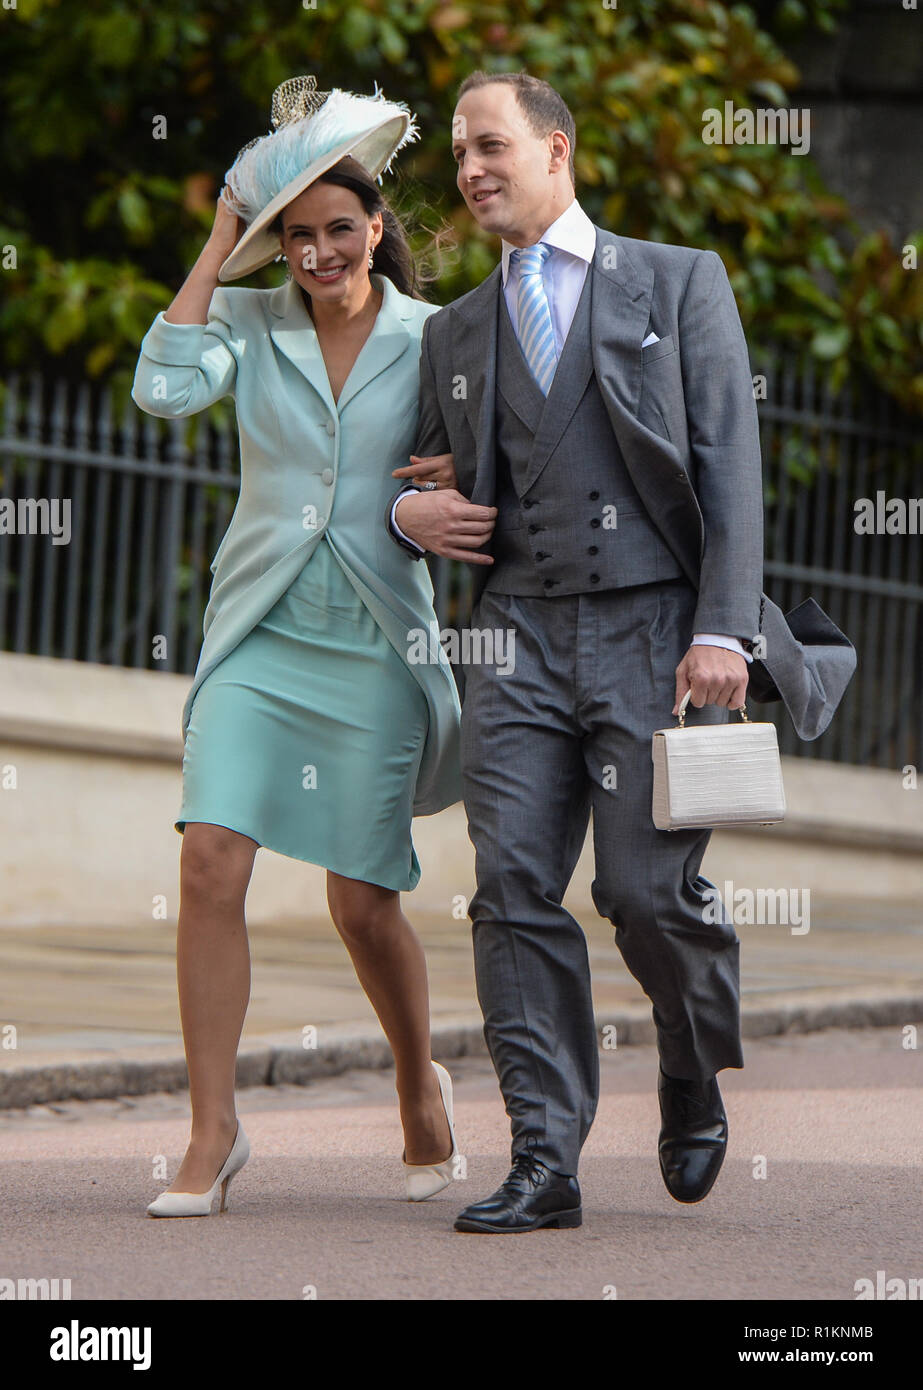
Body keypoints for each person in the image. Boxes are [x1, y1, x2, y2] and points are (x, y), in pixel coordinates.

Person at [387, 71, 855, 1234]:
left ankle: (689, 1059)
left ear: (555, 148)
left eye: (488, 145)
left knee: (645, 895)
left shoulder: (676, 279)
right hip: (514, 636)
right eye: (456, 154)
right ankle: (543, 1156)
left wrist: (719, 628)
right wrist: (409, 521)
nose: (469, 169)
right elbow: (415, 473)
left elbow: (725, 461)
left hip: (656, 631)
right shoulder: (455, 327)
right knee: (508, 892)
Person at [131, 75, 470, 1217]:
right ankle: (212, 1129)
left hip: (374, 642)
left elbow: (487, 477)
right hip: (261, 633)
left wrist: (433, 502)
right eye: (299, 234)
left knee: (361, 902)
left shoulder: (440, 338)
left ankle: (417, 1084)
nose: (320, 251)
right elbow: (162, 384)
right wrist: (230, 227)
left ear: (377, 229)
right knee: (208, 857)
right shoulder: (246, 319)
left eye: (340, 228)